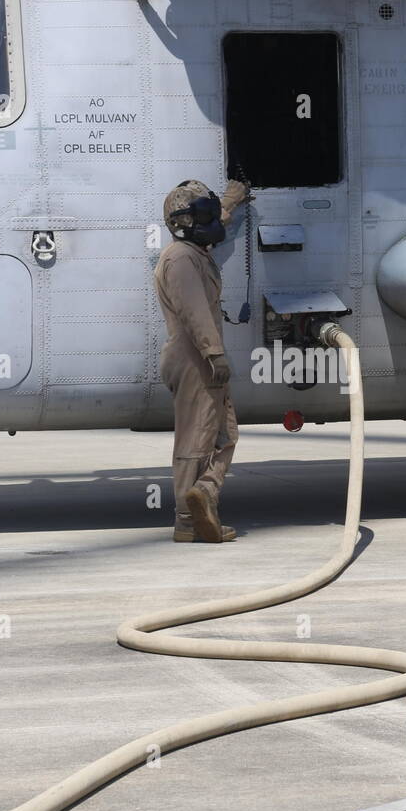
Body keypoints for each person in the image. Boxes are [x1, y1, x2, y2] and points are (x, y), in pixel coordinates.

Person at [154, 177, 249, 543]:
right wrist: (215, 354)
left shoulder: (192, 250)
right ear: (186, 223)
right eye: (203, 216)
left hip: (201, 358)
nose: (212, 222)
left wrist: (231, 201)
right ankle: (187, 519)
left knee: (224, 435)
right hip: (195, 358)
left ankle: (204, 494)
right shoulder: (180, 260)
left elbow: (211, 224)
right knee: (195, 440)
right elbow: (194, 311)